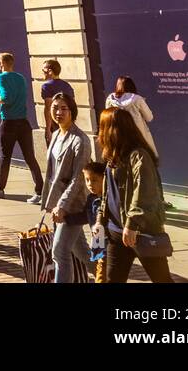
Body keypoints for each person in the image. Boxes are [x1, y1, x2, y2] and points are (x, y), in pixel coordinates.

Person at [98, 106, 173, 283]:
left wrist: (132, 224)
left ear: (112, 130)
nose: (99, 132)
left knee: (161, 279)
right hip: (116, 233)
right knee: (112, 280)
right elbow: (107, 193)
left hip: (141, 231)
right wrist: (100, 221)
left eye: (102, 127)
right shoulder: (112, 158)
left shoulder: (138, 156)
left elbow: (144, 192)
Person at [40, 92, 92, 283]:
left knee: (59, 252)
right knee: (83, 253)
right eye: (55, 108)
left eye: (63, 108)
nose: (58, 112)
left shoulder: (81, 141)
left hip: (72, 205)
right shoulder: (55, 135)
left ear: (72, 111)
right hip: (57, 205)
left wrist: (62, 205)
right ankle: (110, 276)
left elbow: (79, 179)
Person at [0, 52, 44, 202]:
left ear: (2, 63)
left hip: (9, 122)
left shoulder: (1, 77)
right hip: (24, 122)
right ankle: (41, 190)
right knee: (30, 157)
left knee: (5, 156)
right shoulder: (21, 78)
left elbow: (5, 98)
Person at [105, 76, 157, 159]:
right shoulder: (137, 99)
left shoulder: (110, 99)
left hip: (118, 136)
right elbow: (149, 117)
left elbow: (107, 116)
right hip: (138, 137)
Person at [39, 59, 74, 147]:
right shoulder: (67, 85)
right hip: (68, 123)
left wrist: (48, 129)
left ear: (50, 71)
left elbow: (48, 108)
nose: (42, 72)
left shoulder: (46, 86)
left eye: (43, 70)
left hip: (55, 124)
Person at [83, 160, 108, 283]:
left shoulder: (107, 199)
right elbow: (84, 217)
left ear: (104, 179)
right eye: (87, 180)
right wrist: (66, 217)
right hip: (98, 243)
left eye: (94, 180)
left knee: (102, 276)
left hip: (108, 244)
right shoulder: (91, 198)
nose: (90, 184)